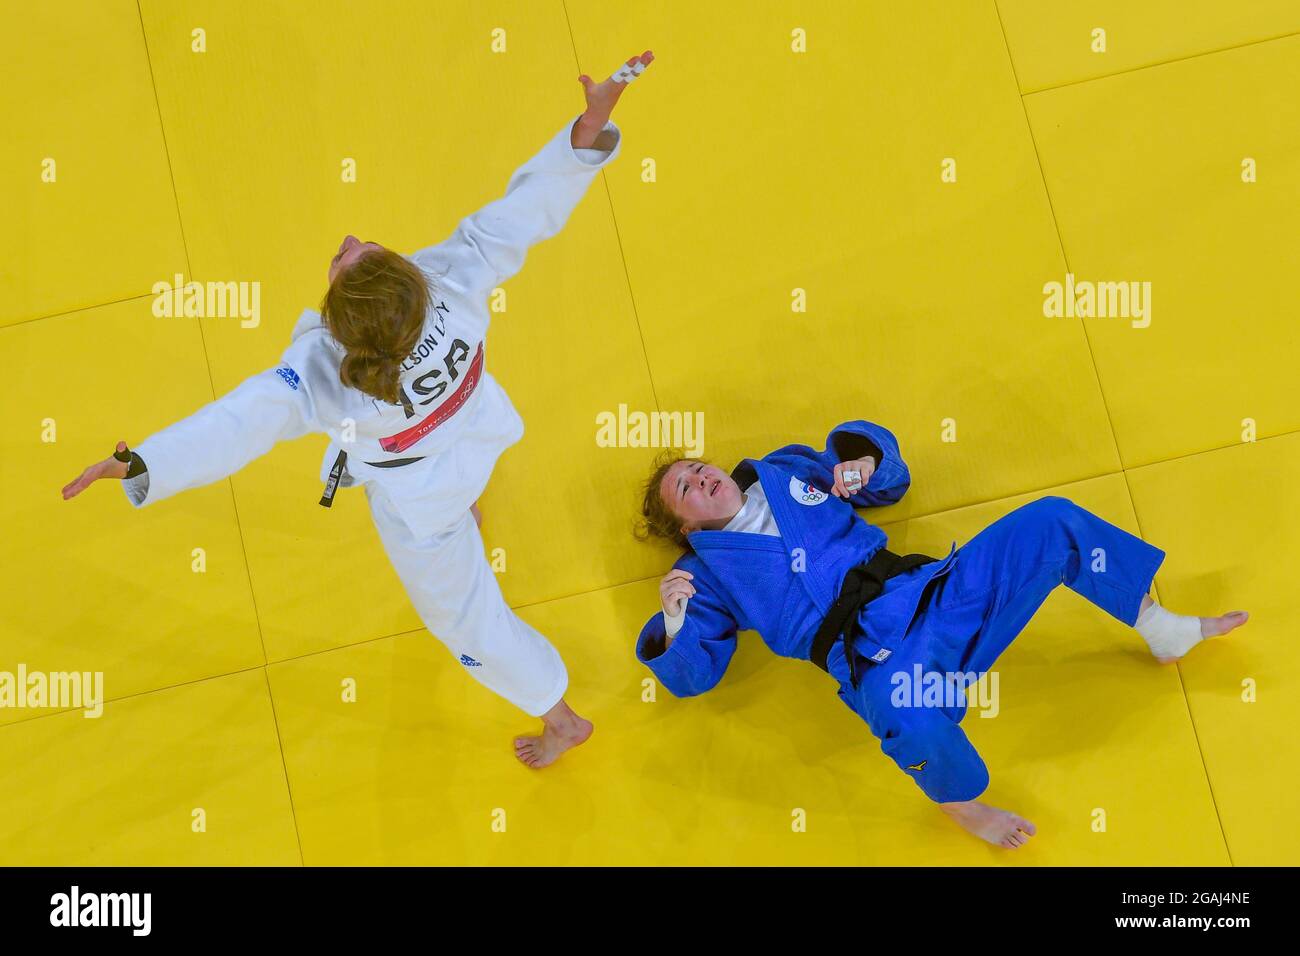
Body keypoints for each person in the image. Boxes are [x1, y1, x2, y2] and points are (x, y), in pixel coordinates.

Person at [62, 51, 656, 770]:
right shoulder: (449, 282)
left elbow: (233, 427)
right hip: (480, 429)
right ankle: (472, 509)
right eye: (357, 254)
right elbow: (524, 215)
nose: (348, 240)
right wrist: (591, 126)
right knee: (453, 480)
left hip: (424, 501)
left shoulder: (319, 377)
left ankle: (558, 715)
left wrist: (145, 461)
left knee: (463, 619)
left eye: (350, 258)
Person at [633, 419, 1248, 847]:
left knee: (1050, 520)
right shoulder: (702, 574)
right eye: (685, 487)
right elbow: (692, 677)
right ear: (686, 529)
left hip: (930, 591)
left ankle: (1157, 625)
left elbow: (889, 482)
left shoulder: (781, 470)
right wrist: (674, 623)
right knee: (908, 717)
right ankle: (960, 803)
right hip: (877, 657)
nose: (700, 476)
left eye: (695, 466)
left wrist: (863, 466)